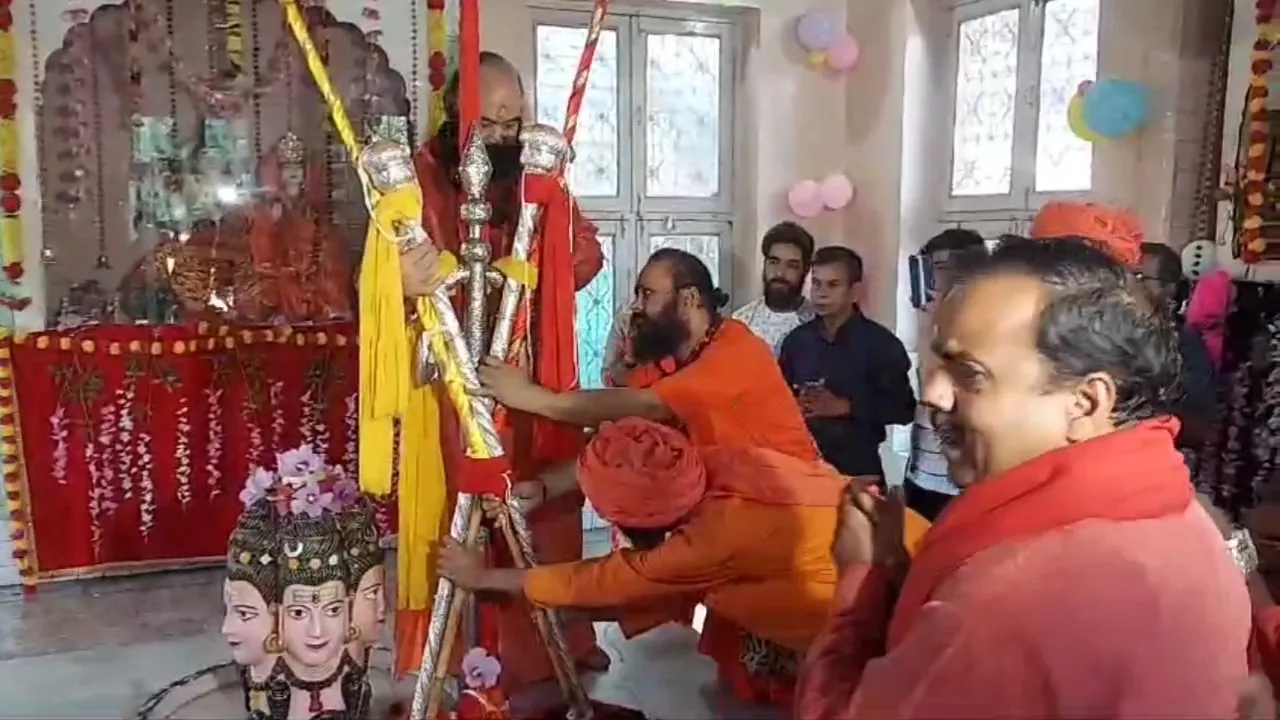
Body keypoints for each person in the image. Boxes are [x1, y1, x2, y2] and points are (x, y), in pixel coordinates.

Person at [796, 236, 1251, 719]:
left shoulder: (1006, 603)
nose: (930, 394)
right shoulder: (1179, 511)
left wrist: (859, 585)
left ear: (1087, 402)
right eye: (937, 363)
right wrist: (896, 576)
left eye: (968, 374)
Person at [436, 417, 930, 708]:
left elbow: (603, 579)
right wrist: (543, 489)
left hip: (897, 594)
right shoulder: (714, 463)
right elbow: (620, 465)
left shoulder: (709, 539)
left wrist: (480, 576)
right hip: (908, 539)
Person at [391, 51, 607, 686]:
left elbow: (585, 252)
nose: (506, 138)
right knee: (468, 509)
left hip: (531, 376)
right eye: (491, 124)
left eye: (514, 123)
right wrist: (416, 278)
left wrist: (536, 269)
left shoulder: (534, 177)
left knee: (545, 509)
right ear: (458, 120)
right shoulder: (421, 179)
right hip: (454, 381)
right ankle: (466, 655)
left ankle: (553, 651)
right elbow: (383, 277)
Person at [479, 248, 816, 461]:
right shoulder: (674, 358)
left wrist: (532, 398)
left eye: (648, 294)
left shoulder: (735, 350)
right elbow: (624, 421)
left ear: (688, 299)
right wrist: (548, 488)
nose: (637, 307)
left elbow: (646, 405)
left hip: (787, 516)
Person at [778, 246, 915, 479]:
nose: (821, 293)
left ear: (854, 291)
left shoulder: (881, 344)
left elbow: (904, 409)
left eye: (832, 285)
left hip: (859, 472)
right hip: (803, 468)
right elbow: (780, 398)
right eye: (817, 284)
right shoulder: (796, 342)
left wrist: (845, 406)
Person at [903, 228, 986, 520]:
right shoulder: (931, 320)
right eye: (929, 270)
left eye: (939, 269)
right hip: (921, 469)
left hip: (960, 478)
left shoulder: (982, 327)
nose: (934, 282)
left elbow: (936, 386)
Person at [1137, 241, 1217, 451]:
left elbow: (1202, 427)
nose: (1127, 286)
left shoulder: (1184, 346)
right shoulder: (1107, 330)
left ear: (1169, 288)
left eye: (1139, 278)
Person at [731, 222, 816, 355]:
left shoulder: (817, 322)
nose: (780, 273)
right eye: (773, 262)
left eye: (791, 265)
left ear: (805, 270)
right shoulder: (741, 322)